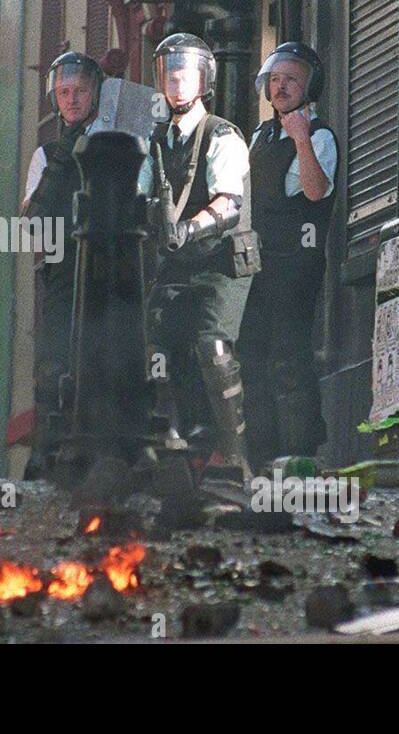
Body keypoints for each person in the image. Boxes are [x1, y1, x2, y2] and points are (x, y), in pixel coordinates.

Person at [138, 33, 256, 481]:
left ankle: (235, 454)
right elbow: (140, 193)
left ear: (203, 78)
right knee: (155, 339)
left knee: (212, 345)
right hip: (177, 261)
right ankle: (174, 441)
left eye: (183, 72)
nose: (175, 80)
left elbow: (230, 204)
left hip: (222, 260)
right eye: (168, 72)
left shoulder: (222, 134)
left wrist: (187, 227)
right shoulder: (157, 141)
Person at [236, 41, 338, 464]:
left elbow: (315, 190)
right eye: (276, 79)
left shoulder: (320, 136)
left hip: (296, 262)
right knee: (251, 356)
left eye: (291, 80)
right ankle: (261, 454)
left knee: (289, 355)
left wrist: (300, 139)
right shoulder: (261, 135)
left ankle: (299, 452)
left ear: (309, 86)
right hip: (256, 261)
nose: (281, 87)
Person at [22, 51, 103, 477]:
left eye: (81, 91)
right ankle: (46, 459)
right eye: (64, 92)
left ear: (96, 94)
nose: (72, 100)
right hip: (60, 272)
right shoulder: (46, 154)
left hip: (108, 275)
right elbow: (30, 223)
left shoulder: (117, 144)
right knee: (53, 366)